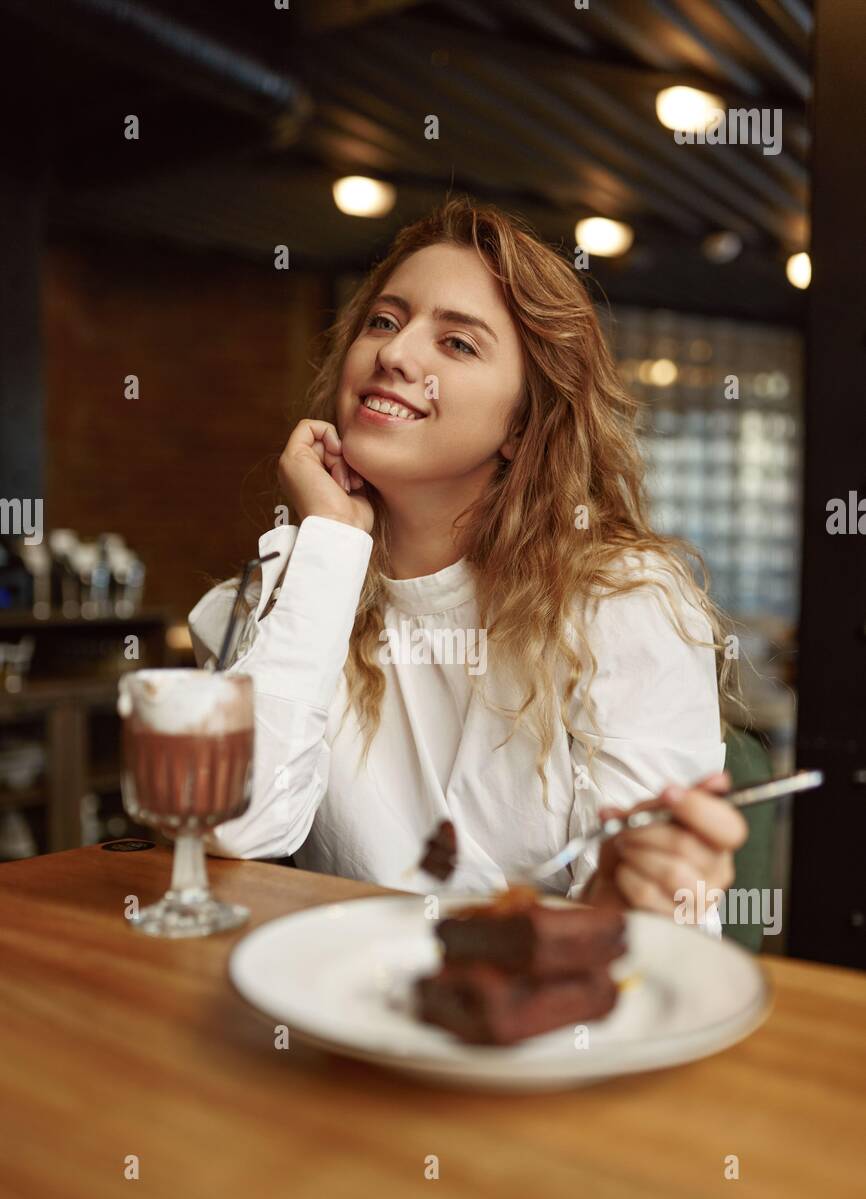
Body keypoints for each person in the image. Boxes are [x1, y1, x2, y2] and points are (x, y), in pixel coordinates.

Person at [188, 196, 747, 930]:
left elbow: (668, 922)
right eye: (384, 321)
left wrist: (633, 894)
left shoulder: (624, 602)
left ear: (522, 425)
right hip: (347, 1005)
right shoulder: (280, 595)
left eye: (457, 344)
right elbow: (232, 824)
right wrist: (330, 542)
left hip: (544, 1027)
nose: (394, 353)